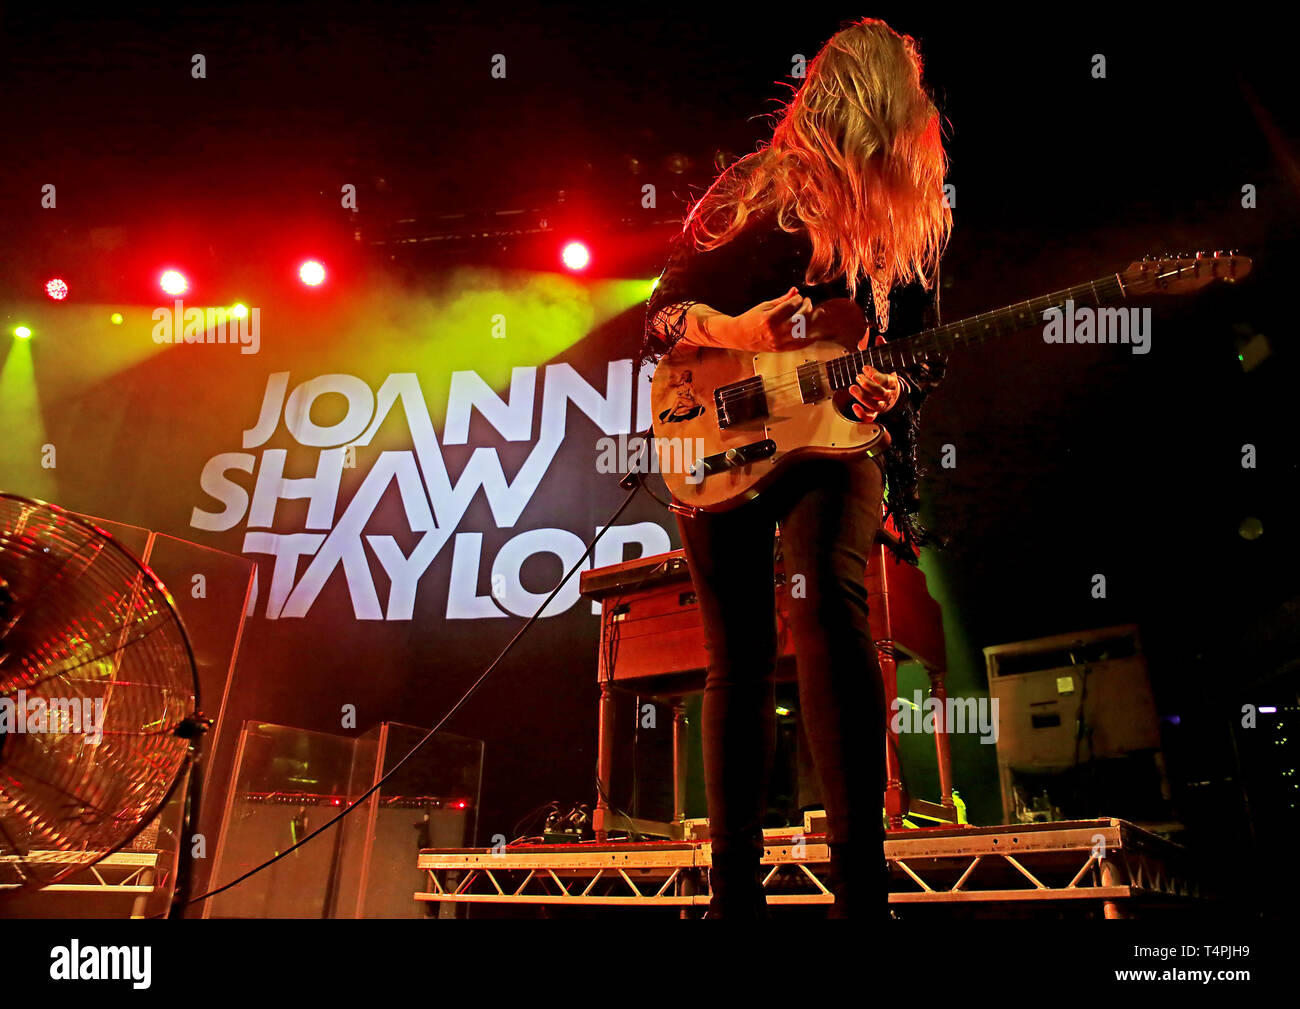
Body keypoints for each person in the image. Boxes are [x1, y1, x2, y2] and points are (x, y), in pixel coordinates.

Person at [640, 17, 952, 918]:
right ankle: (733, 892)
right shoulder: (755, 190)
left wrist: (893, 382)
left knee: (831, 605)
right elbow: (660, 317)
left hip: (837, 435)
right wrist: (737, 331)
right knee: (734, 655)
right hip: (719, 428)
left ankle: (863, 887)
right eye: (909, 103)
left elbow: (923, 347)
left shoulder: (911, 221)